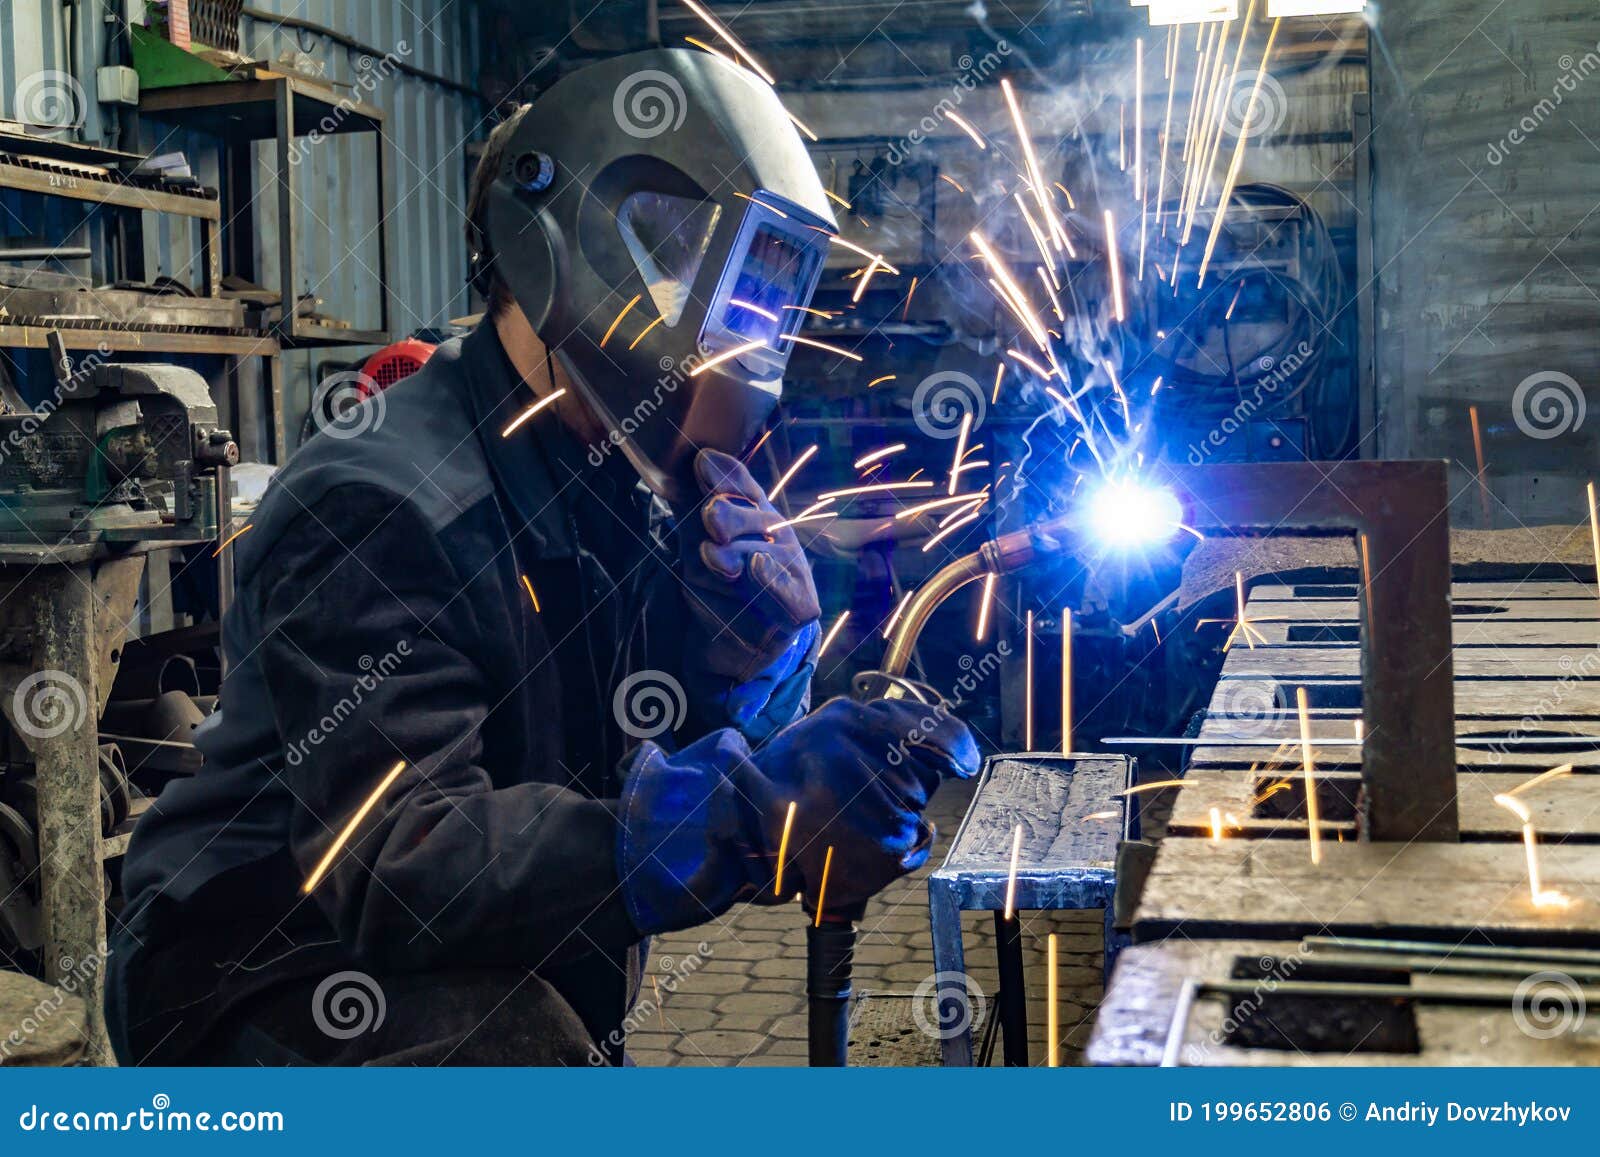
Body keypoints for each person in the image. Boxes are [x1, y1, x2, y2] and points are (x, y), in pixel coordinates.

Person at [106, 49, 977, 1066]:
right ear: (580, 238)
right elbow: (403, 863)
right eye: (708, 277)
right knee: (517, 1052)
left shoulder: (610, 457)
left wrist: (739, 654)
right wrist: (748, 817)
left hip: (455, 949)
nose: (740, 338)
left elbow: (631, 756)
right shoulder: (377, 502)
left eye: (763, 302)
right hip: (258, 964)